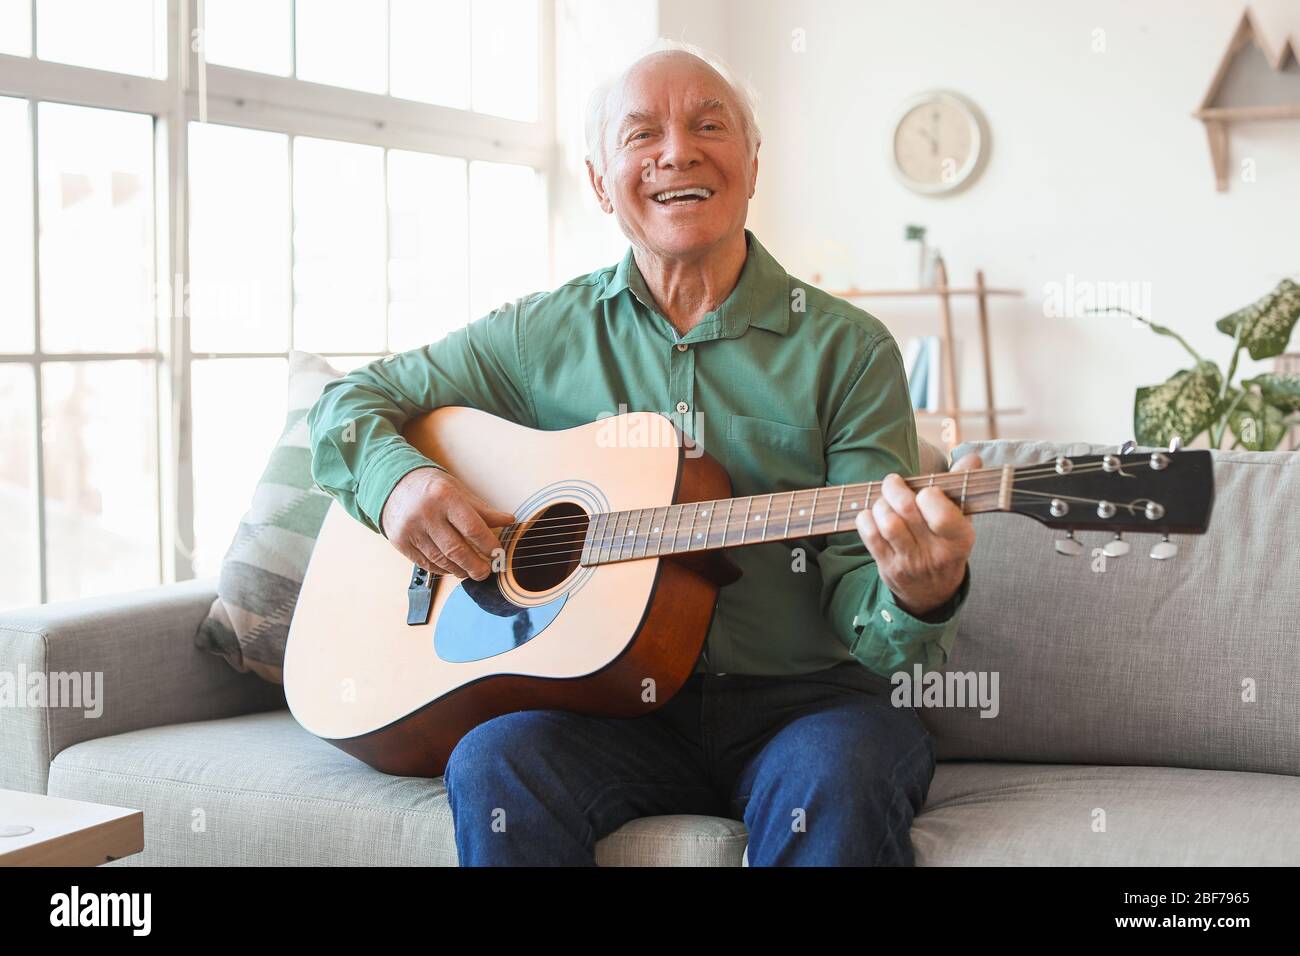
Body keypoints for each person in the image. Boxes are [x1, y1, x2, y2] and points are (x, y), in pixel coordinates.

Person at [307, 39, 980, 866]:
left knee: (837, 773)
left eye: (709, 125)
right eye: (640, 136)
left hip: (810, 708)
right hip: (607, 708)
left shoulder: (850, 350)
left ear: (753, 163)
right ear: (599, 183)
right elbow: (348, 406)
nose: (677, 152)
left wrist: (917, 594)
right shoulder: (537, 337)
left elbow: (872, 627)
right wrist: (401, 483)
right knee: (496, 760)